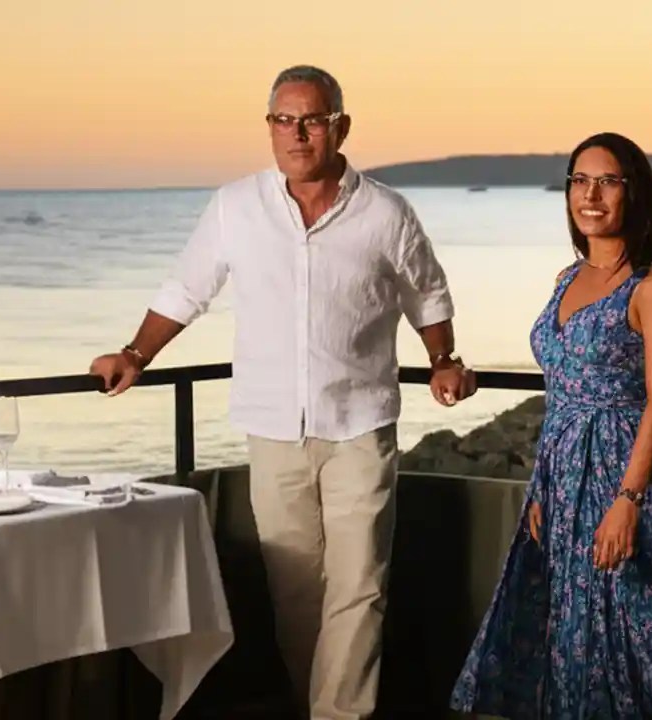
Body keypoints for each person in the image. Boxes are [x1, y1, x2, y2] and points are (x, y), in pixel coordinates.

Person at [89, 65, 476, 720]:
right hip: (272, 427)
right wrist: (135, 355)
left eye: (313, 120)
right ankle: (312, 705)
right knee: (294, 592)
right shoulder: (235, 206)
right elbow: (187, 289)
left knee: (360, 587)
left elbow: (427, 293)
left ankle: (338, 715)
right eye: (284, 120)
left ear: (340, 128)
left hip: (360, 424)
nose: (298, 133)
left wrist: (443, 360)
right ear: (269, 127)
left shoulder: (386, 213)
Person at [448, 132, 652, 719]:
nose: (591, 195)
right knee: (574, 635)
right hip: (563, 479)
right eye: (580, 181)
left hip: (621, 474)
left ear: (633, 193)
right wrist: (542, 486)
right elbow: (561, 388)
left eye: (607, 181)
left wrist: (629, 499)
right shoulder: (566, 278)